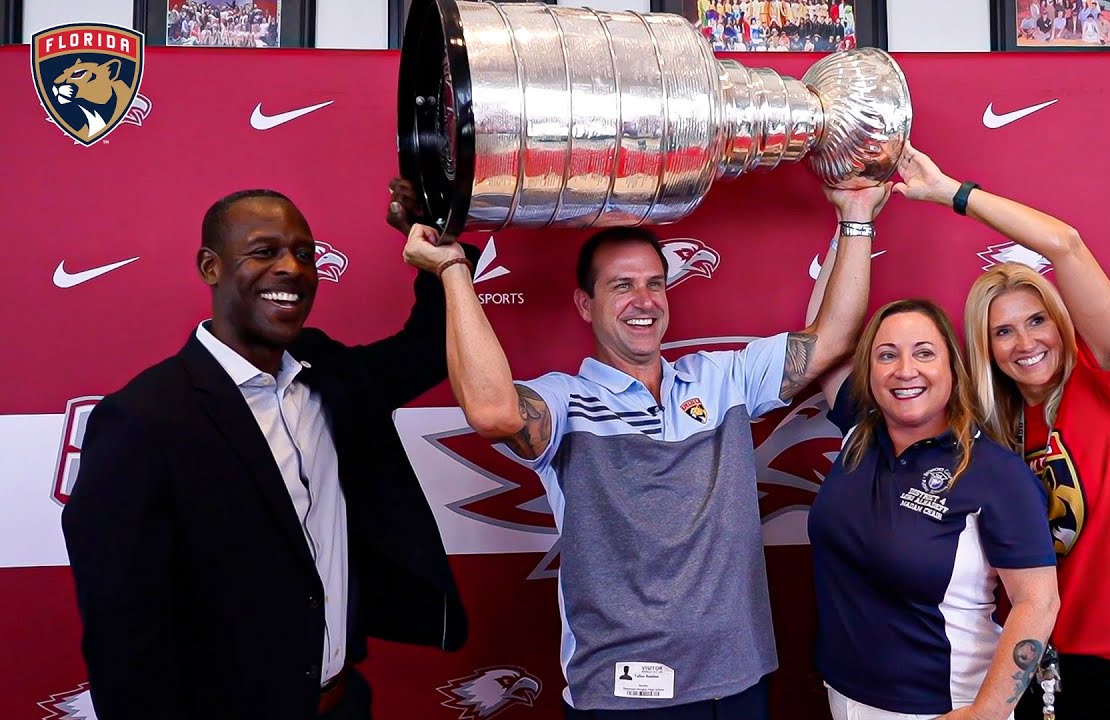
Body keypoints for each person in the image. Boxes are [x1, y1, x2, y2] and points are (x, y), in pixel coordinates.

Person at [411, 181, 891, 718]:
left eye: (655, 283)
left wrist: (856, 216)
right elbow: (492, 411)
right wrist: (454, 270)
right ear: (585, 305)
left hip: (737, 680)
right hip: (623, 696)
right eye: (622, 286)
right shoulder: (566, 401)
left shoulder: (721, 377)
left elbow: (834, 337)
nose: (644, 301)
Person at [60, 181, 476, 720]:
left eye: (305, 254)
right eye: (264, 252)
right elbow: (122, 634)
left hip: (344, 704)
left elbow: (429, 350)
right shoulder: (141, 420)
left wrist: (436, 250)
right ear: (211, 267)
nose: (292, 269)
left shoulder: (326, 371)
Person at [889, 142, 1110, 718]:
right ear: (987, 347)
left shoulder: (1104, 381)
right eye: (1003, 332)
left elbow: (1066, 245)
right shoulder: (997, 427)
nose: (1026, 342)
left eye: (1037, 321)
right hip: (1048, 664)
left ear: (1060, 323)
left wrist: (951, 193)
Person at [805, 290, 1060, 717]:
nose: (905, 371)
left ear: (952, 370)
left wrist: (988, 713)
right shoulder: (858, 436)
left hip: (945, 704)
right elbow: (824, 335)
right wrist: (853, 224)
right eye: (887, 356)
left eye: (924, 353)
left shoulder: (996, 475)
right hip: (844, 693)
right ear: (868, 371)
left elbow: (1038, 602)